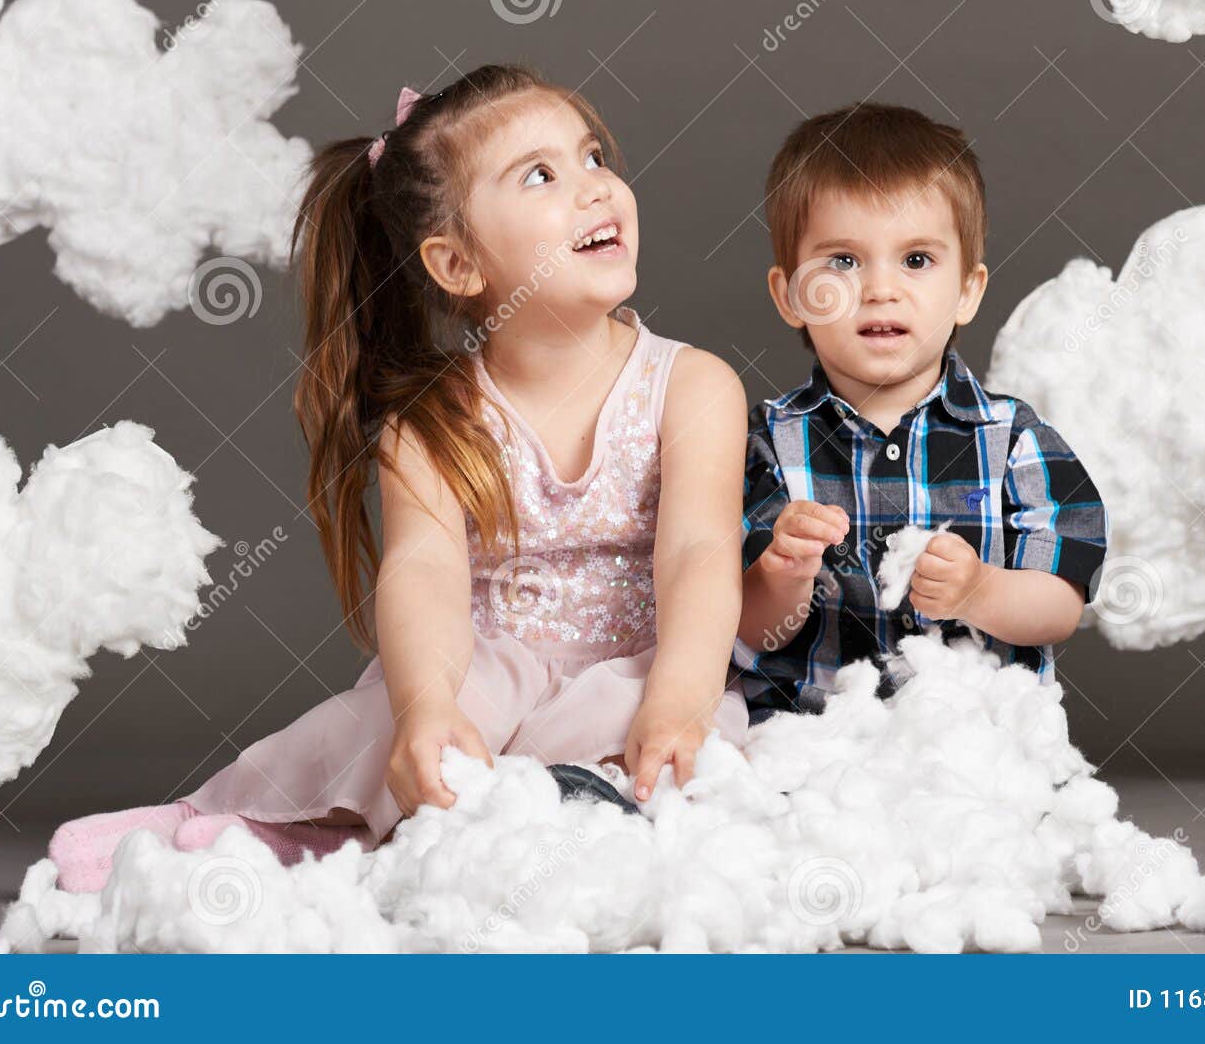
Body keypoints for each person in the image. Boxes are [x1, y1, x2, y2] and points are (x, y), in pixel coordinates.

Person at [48, 63, 749, 892]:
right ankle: (244, 826)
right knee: (391, 724)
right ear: (456, 265)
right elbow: (425, 575)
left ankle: (481, 828)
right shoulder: (431, 419)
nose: (596, 189)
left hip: (635, 666)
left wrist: (680, 696)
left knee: (647, 732)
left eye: (594, 157)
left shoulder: (694, 385)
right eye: (542, 176)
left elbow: (700, 553)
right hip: (484, 666)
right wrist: (426, 708)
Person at [734, 101, 1110, 720]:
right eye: (843, 261)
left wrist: (980, 591)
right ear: (790, 296)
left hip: (969, 744)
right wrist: (783, 571)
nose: (881, 288)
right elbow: (746, 624)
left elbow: (1061, 602)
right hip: (807, 744)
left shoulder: (1012, 439)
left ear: (967, 290)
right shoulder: (766, 445)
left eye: (916, 260)